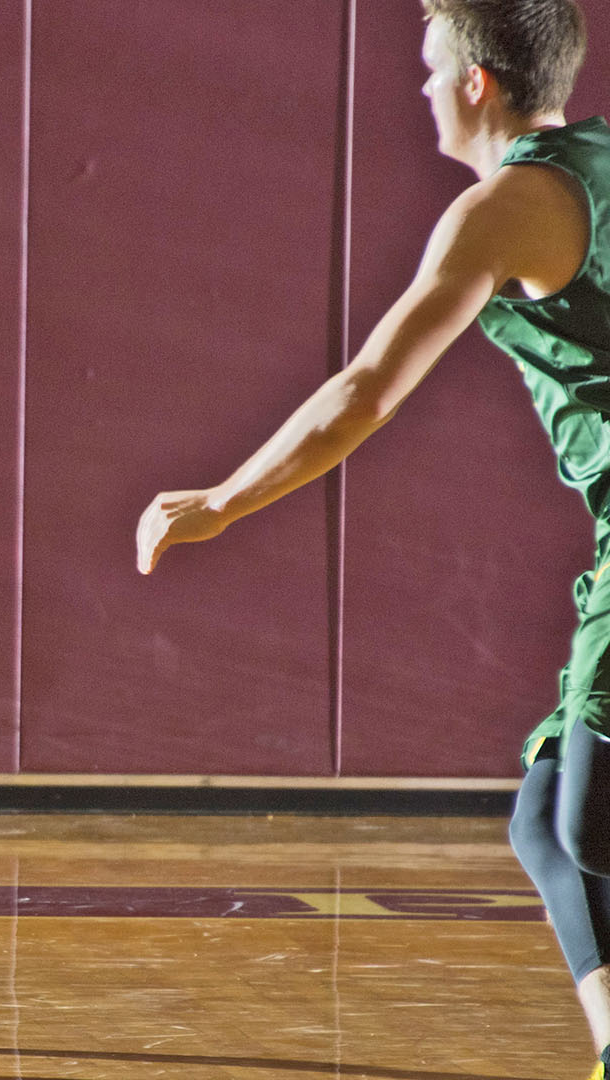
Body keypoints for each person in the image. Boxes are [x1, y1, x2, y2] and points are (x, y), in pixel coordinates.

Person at [135, 1, 608, 1075]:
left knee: (590, 825)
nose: (423, 90)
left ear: (478, 84)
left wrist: (222, 502)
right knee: (545, 823)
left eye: (432, 70)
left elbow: (365, 393)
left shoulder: (510, 204)